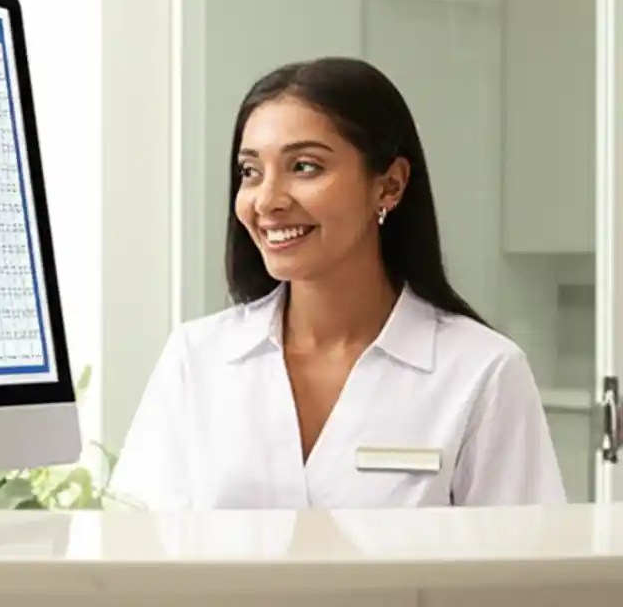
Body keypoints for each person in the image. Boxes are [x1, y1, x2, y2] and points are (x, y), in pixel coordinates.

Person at [110, 57, 566, 510]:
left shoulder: (482, 371)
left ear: (389, 186)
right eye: (251, 172)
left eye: (304, 166)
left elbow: (526, 573)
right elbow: (139, 558)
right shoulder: (196, 358)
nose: (267, 200)